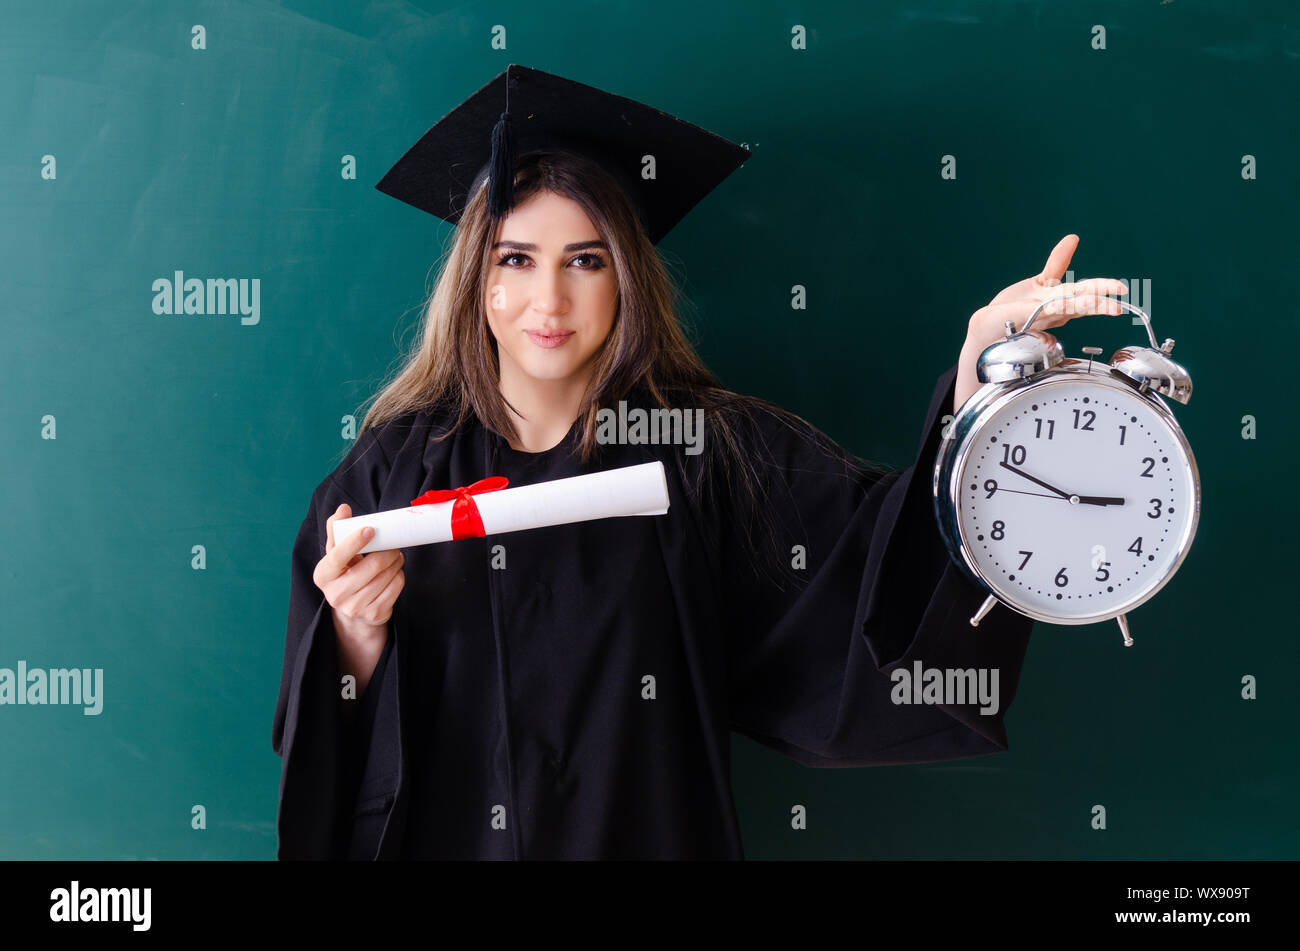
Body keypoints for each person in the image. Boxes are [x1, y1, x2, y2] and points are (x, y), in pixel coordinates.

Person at [271, 64, 1130, 860]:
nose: (550, 300)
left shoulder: (707, 454)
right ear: (475, 282)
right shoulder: (392, 475)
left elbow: (887, 566)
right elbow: (325, 749)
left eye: (586, 261)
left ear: (627, 281)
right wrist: (353, 634)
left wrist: (982, 392)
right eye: (516, 260)